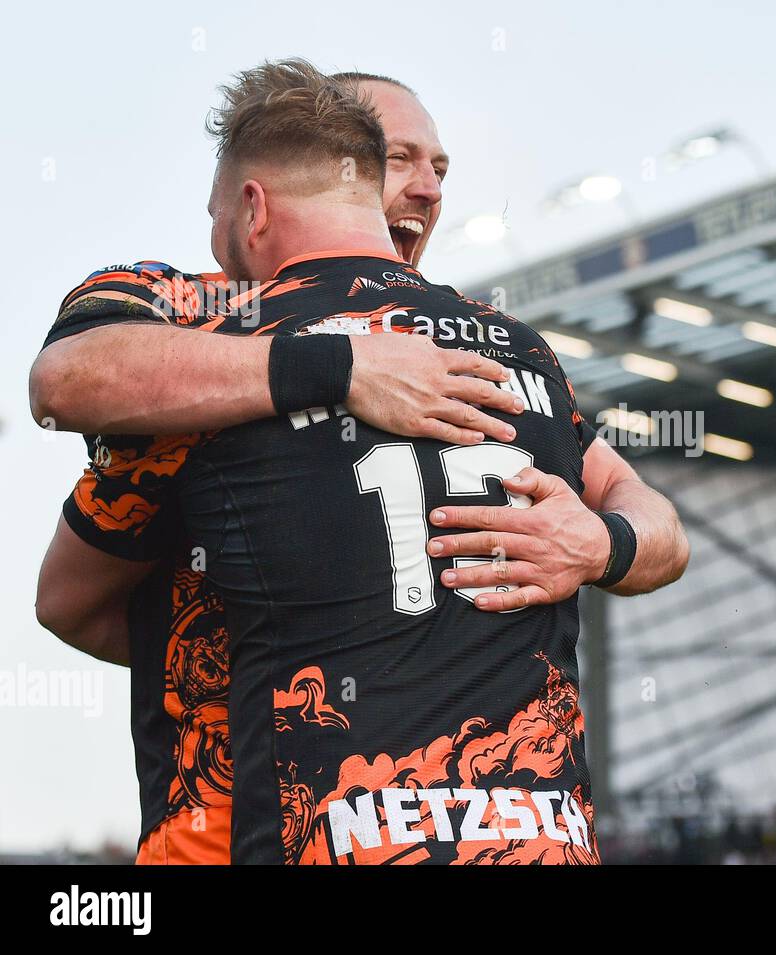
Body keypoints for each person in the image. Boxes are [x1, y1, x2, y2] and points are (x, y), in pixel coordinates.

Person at [32, 66, 688, 864]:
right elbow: (69, 380)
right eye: (399, 157)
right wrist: (339, 364)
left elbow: (645, 511)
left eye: (439, 168)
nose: (424, 188)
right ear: (343, 165)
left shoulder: (481, 353)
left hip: (313, 829)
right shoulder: (190, 326)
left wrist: (603, 543)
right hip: (479, 831)